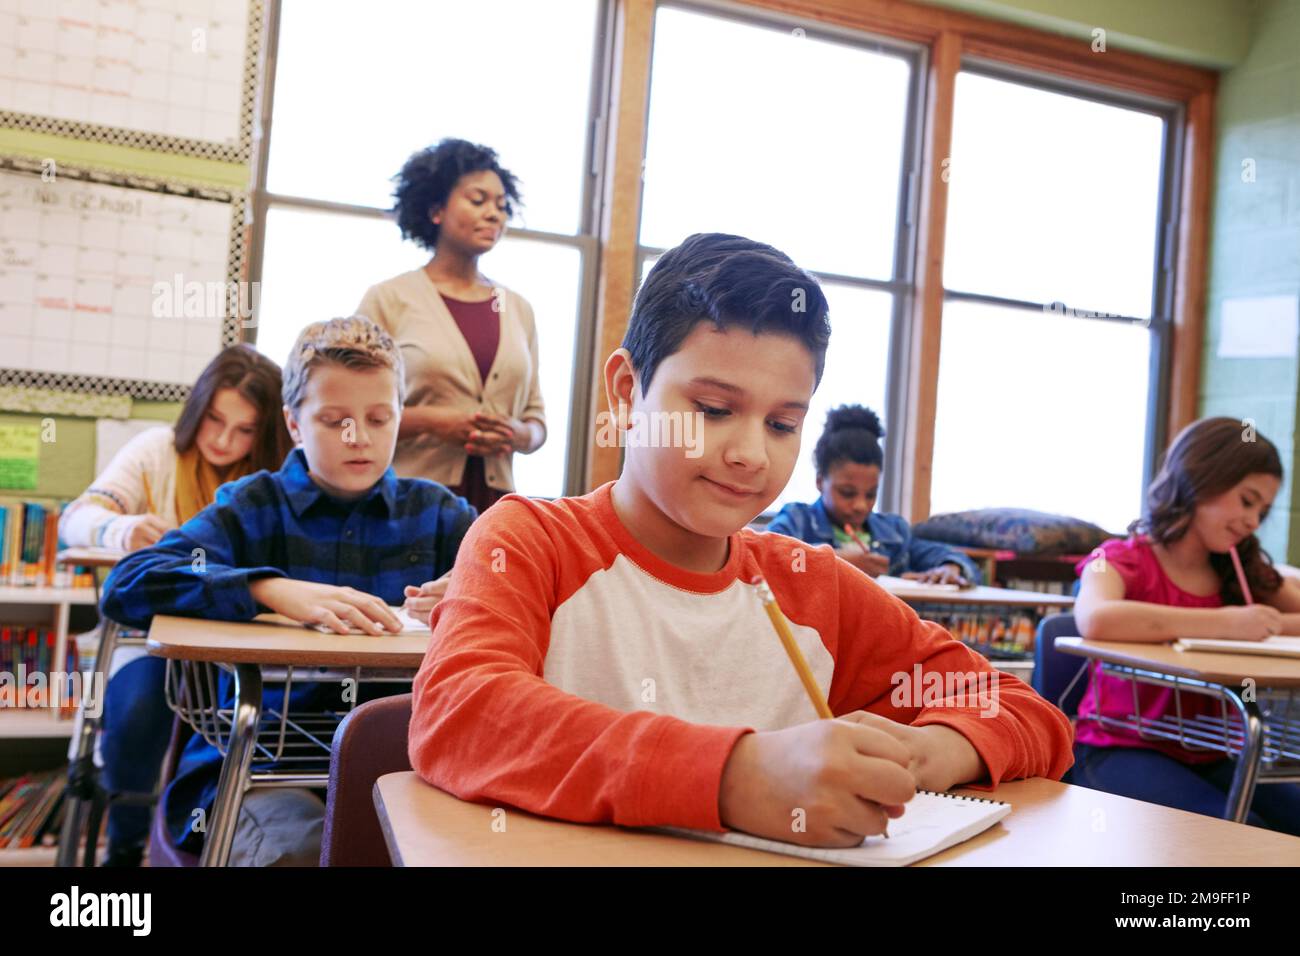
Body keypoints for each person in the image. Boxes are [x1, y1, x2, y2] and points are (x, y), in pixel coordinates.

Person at [408, 233, 1073, 848]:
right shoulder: (531, 541)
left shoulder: (812, 584)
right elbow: (462, 713)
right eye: (714, 410)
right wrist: (733, 777)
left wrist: (926, 752)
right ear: (626, 390)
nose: (751, 454)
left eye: (783, 424)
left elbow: (1021, 709)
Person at [103, 317, 476, 864]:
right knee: (299, 852)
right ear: (294, 425)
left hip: (408, 767)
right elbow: (128, 583)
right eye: (333, 420)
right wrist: (268, 589)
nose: (360, 438)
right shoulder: (253, 505)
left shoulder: (440, 514)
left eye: (379, 418)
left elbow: (534, 591)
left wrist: (473, 593)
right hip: (262, 772)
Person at [60, 343, 292, 867]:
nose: (223, 440)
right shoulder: (156, 451)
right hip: (151, 643)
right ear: (197, 407)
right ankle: (125, 843)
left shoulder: (274, 481)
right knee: (139, 707)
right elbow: (77, 517)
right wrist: (123, 528)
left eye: (245, 429)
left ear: (267, 432)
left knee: (259, 724)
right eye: (214, 419)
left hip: (243, 649)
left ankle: (213, 840)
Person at [1072, 416, 1300, 834]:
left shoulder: (1241, 570)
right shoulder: (1121, 558)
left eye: (1262, 512)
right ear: (1202, 477)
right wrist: (1226, 624)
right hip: (1115, 748)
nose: (1253, 521)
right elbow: (1096, 618)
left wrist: (1267, 624)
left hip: (1214, 751)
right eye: (1247, 501)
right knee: (1240, 831)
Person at [358, 138, 546, 513]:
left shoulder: (517, 308)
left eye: (501, 205)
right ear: (436, 210)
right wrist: (433, 421)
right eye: (478, 200)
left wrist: (519, 434)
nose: (494, 214)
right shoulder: (388, 299)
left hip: (493, 508)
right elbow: (356, 413)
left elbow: (536, 420)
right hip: (406, 505)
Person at [766, 404, 979, 584]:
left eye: (870, 494)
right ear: (820, 481)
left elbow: (954, 558)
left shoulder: (895, 532)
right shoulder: (798, 520)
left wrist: (950, 568)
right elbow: (768, 558)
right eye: (847, 493)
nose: (860, 505)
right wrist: (835, 560)